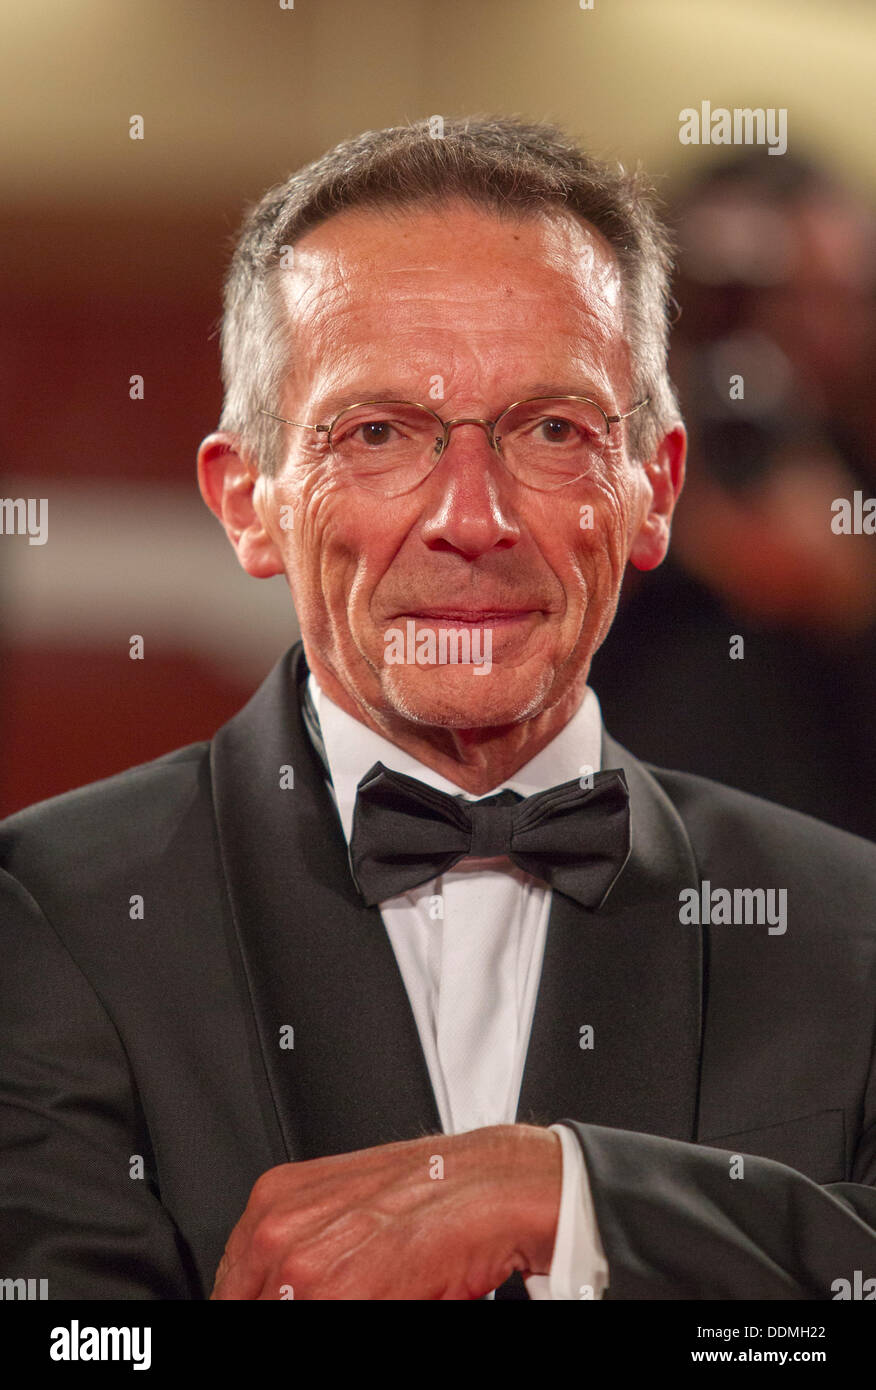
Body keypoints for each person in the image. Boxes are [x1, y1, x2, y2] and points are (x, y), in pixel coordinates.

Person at [1, 117, 874, 1301]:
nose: (473, 517)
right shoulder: (49, 917)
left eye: (554, 430)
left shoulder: (847, 929)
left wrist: (571, 1201)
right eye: (378, 434)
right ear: (248, 502)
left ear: (654, 489)